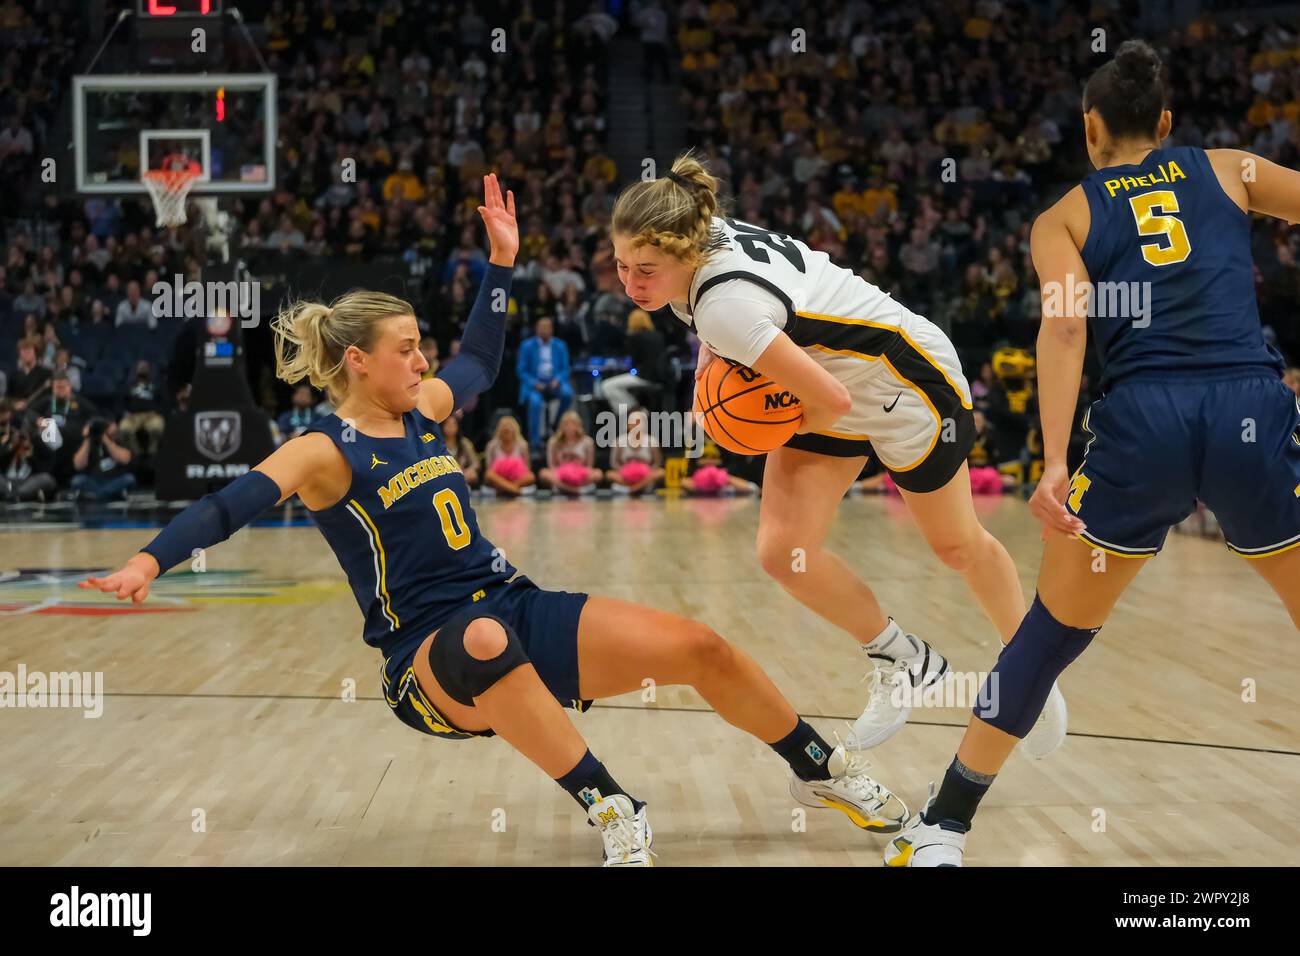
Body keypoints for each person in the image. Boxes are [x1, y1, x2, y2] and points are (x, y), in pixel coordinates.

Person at [81, 174, 907, 865]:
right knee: (483, 644)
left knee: (701, 647)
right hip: (425, 658)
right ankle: (614, 808)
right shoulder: (321, 451)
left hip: (506, 603)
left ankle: (820, 767)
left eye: (421, 346)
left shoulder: (423, 414)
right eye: (406, 347)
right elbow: (231, 504)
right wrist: (151, 560)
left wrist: (502, 265)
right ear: (358, 361)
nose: (422, 359)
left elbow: (478, 359)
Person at [886, 41, 1300, 867]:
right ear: (1169, 124)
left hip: (1143, 424)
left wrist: (1050, 464)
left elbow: (1067, 327)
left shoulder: (1064, 217)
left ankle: (944, 824)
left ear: (1089, 130)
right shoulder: (1232, 169)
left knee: (1049, 633)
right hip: (1250, 407)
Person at [611, 151, 1064, 753]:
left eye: (644, 269)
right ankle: (907, 662)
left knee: (956, 544)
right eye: (620, 265)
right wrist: (707, 400)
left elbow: (825, 399)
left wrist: (756, 430)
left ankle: (1029, 672)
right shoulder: (694, 249)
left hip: (905, 381)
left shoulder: (724, 303)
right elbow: (721, 340)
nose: (630, 283)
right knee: (783, 551)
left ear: (685, 253)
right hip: (825, 380)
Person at [516, 316, 572, 447]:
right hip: (535, 384)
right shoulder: (527, 346)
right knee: (535, 403)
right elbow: (521, 370)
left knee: (568, 394)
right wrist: (534, 383)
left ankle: (556, 424)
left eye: (547, 328)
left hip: (554, 381)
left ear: (552, 329)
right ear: (536, 329)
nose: (544, 330)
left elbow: (565, 368)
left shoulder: (560, 345)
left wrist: (557, 380)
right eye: (541, 327)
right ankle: (535, 443)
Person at [600, 308, 667, 413]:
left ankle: (634, 411)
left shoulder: (635, 337)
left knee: (607, 386)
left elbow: (633, 362)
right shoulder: (659, 336)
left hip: (644, 377)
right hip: (660, 377)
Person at [540, 409, 602, 495]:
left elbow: (589, 466)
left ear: (578, 426)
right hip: (560, 474)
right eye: (567, 425)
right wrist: (563, 474)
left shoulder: (588, 442)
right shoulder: (553, 442)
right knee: (544, 473)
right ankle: (575, 490)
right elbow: (552, 465)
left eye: (573, 424)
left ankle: (561, 488)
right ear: (562, 426)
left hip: (581, 474)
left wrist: (578, 474)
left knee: (598, 473)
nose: (570, 427)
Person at [606, 407, 664, 495]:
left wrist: (648, 471)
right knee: (609, 474)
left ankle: (631, 489)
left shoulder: (652, 441)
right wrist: (624, 471)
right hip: (625, 475)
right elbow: (614, 463)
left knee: (661, 472)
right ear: (628, 425)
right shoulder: (619, 441)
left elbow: (657, 462)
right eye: (633, 423)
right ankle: (641, 488)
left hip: (646, 475)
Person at [483, 414, 535, 497]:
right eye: (504, 428)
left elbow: (527, 467)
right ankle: (513, 489)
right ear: (499, 430)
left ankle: (508, 488)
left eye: (509, 428)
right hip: (498, 478)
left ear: (515, 430)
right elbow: (489, 467)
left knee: (530, 476)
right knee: (489, 474)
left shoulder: (522, 445)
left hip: (517, 478)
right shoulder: (492, 445)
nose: (507, 430)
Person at [440, 412, 480, 488]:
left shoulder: (465, 443)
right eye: (448, 424)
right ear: (442, 426)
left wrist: (468, 470)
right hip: (445, 475)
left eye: (454, 424)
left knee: (473, 475)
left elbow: (476, 463)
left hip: (462, 474)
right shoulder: (438, 444)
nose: (451, 427)